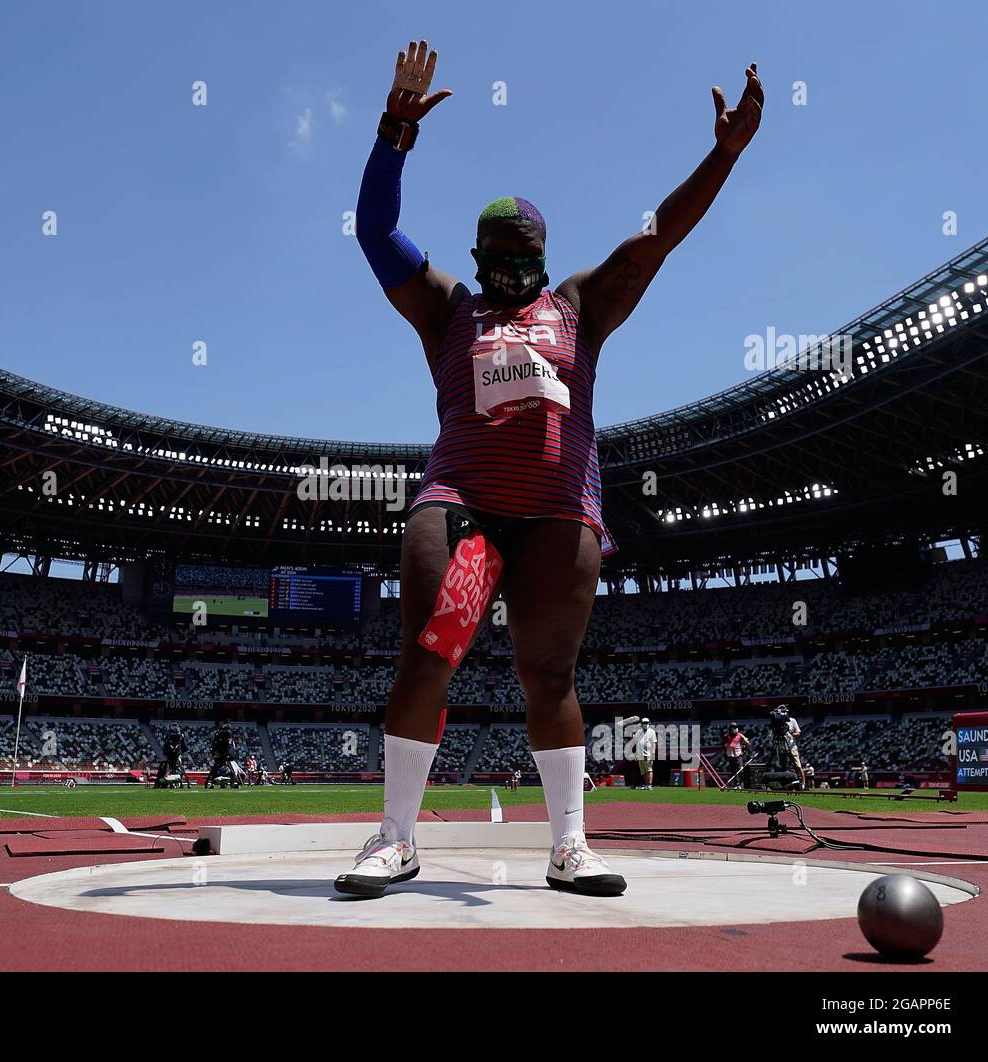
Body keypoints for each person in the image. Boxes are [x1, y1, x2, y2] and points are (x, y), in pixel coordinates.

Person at [337, 39, 762, 899]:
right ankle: (395, 840)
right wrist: (393, 131)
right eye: (497, 249)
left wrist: (721, 156)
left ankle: (569, 846)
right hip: (462, 503)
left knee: (551, 674)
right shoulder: (447, 308)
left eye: (523, 249)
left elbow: (656, 239)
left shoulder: (578, 306)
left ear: (543, 248)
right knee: (432, 650)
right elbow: (377, 232)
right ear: (478, 248)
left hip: (560, 514)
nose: (509, 264)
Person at [724, 723, 751, 789]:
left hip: (738, 755)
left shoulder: (740, 735)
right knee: (733, 771)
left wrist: (744, 752)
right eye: (732, 728)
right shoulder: (726, 736)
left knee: (740, 770)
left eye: (735, 728)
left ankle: (740, 782)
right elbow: (723, 744)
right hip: (730, 756)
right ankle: (736, 784)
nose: (733, 729)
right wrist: (726, 751)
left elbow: (748, 743)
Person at [635, 717, 657, 790]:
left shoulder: (652, 731)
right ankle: (646, 784)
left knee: (649, 769)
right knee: (643, 771)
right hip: (640, 754)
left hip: (648, 754)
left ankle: (649, 785)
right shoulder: (639, 731)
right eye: (644, 723)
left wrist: (653, 752)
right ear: (641, 724)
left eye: (646, 723)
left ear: (649, 723)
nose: (645, 724)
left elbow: (654, 742)